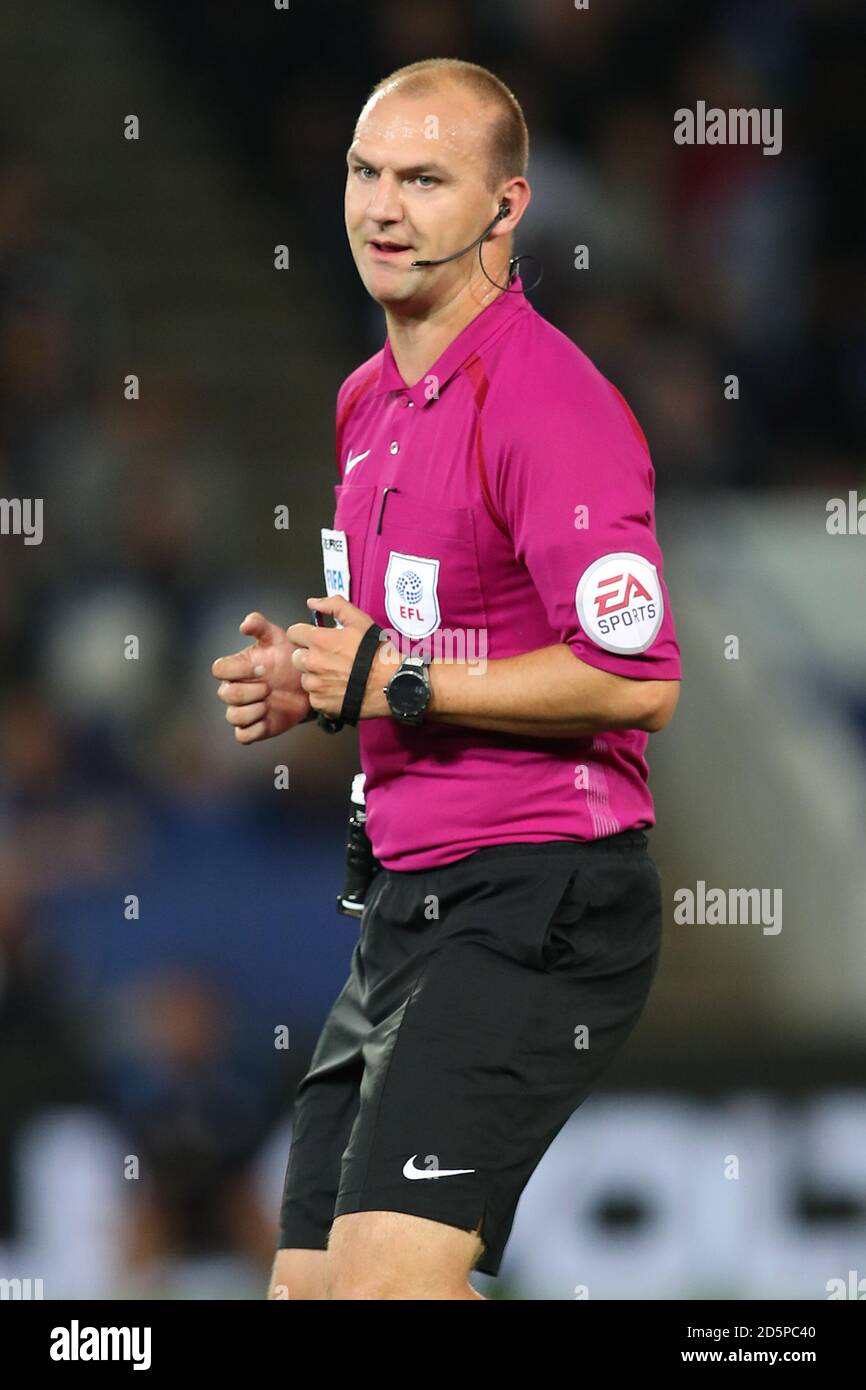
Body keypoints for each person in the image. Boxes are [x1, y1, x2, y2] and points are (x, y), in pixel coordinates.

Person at [212, 58, 681, 1301]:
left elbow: (634, 682)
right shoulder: (365, 399)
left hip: (540, 892)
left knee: (380, 1292)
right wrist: (316, 680)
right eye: (367, 172)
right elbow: (409, 640)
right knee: (309, 1293)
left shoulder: (548, 405)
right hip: (410, 909)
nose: (382, 206)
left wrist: (398, 682)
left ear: (505, 206)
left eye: (425, 179)